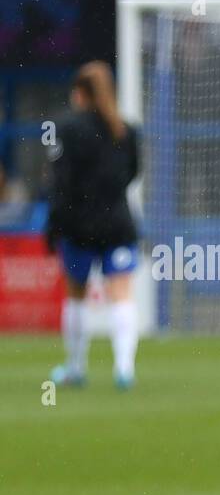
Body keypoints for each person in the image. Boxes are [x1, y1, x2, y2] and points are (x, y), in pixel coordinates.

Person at [45, 61, 140, 391]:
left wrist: (54, 224)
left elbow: (61, 183)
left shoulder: (67, 129)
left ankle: (75, 367)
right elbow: (131, 174)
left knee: (76, 295)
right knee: (121, 293)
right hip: (118, 223)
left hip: (79, 225)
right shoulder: (125, 130)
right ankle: (124, 369)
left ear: (80, 93)